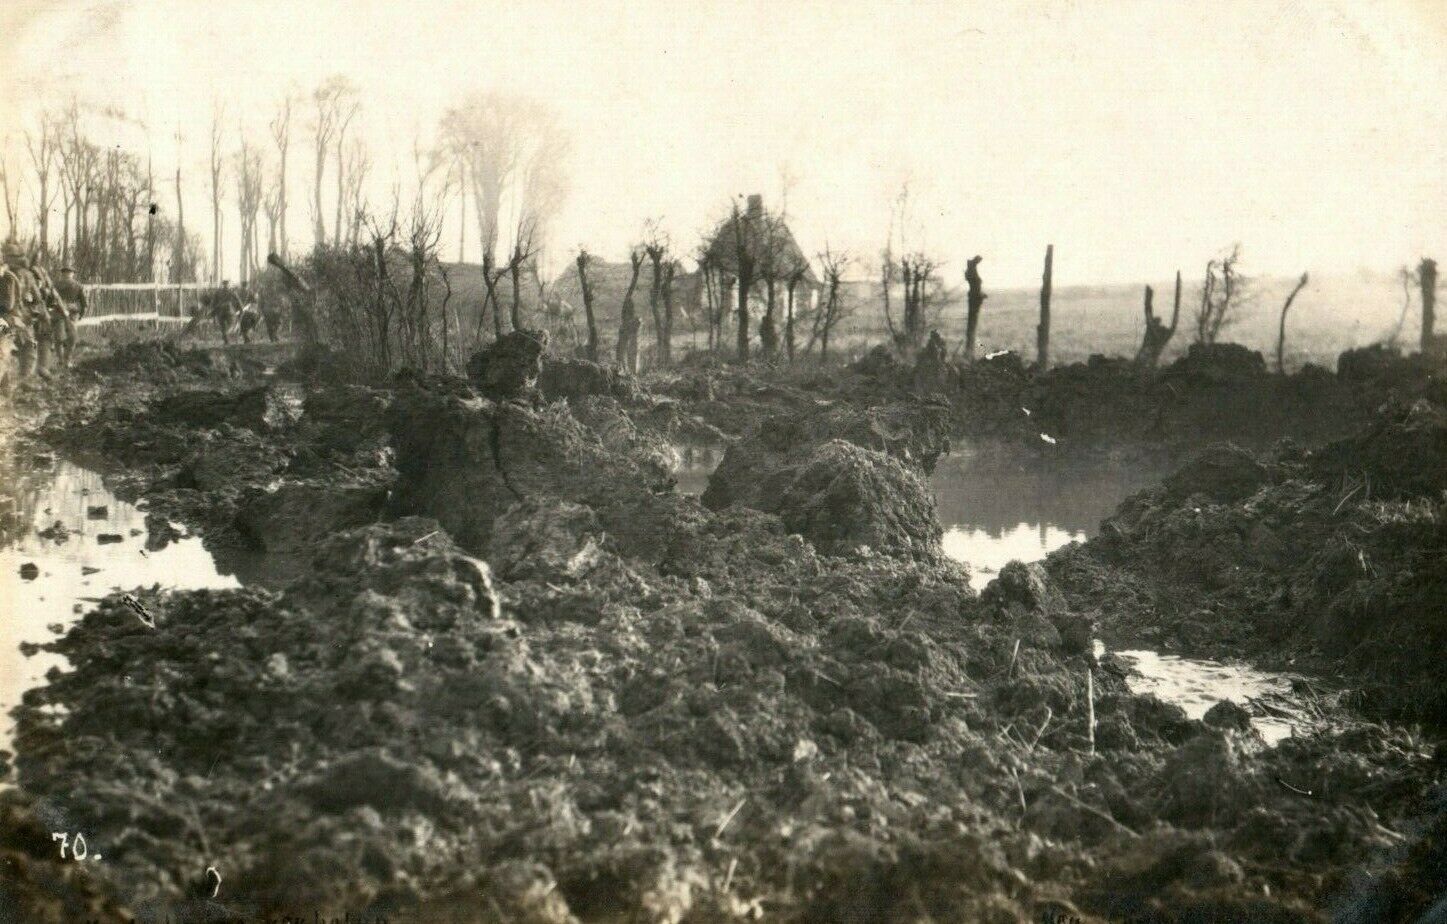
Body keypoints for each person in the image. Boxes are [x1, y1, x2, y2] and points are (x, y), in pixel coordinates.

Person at [1, 240, 48, 380]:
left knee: (4, 348)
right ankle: (24, 378)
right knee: (29, 346)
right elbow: (37, 298)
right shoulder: (27, 274)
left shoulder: (4, 272)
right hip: (18, 318)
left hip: (4, 318)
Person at [49, 266, 86, 369]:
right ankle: (63, 360)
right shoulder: (56, 285)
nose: (68, 275)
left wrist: (82, 312)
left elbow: (83, 302)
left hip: (66, 313)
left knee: (64, 338)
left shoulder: (57, 285)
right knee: (66, 338)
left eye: (69, 273)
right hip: (64, 313)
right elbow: (83, 303)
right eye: (66, 273)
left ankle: (64, 360)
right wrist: (82, 313)